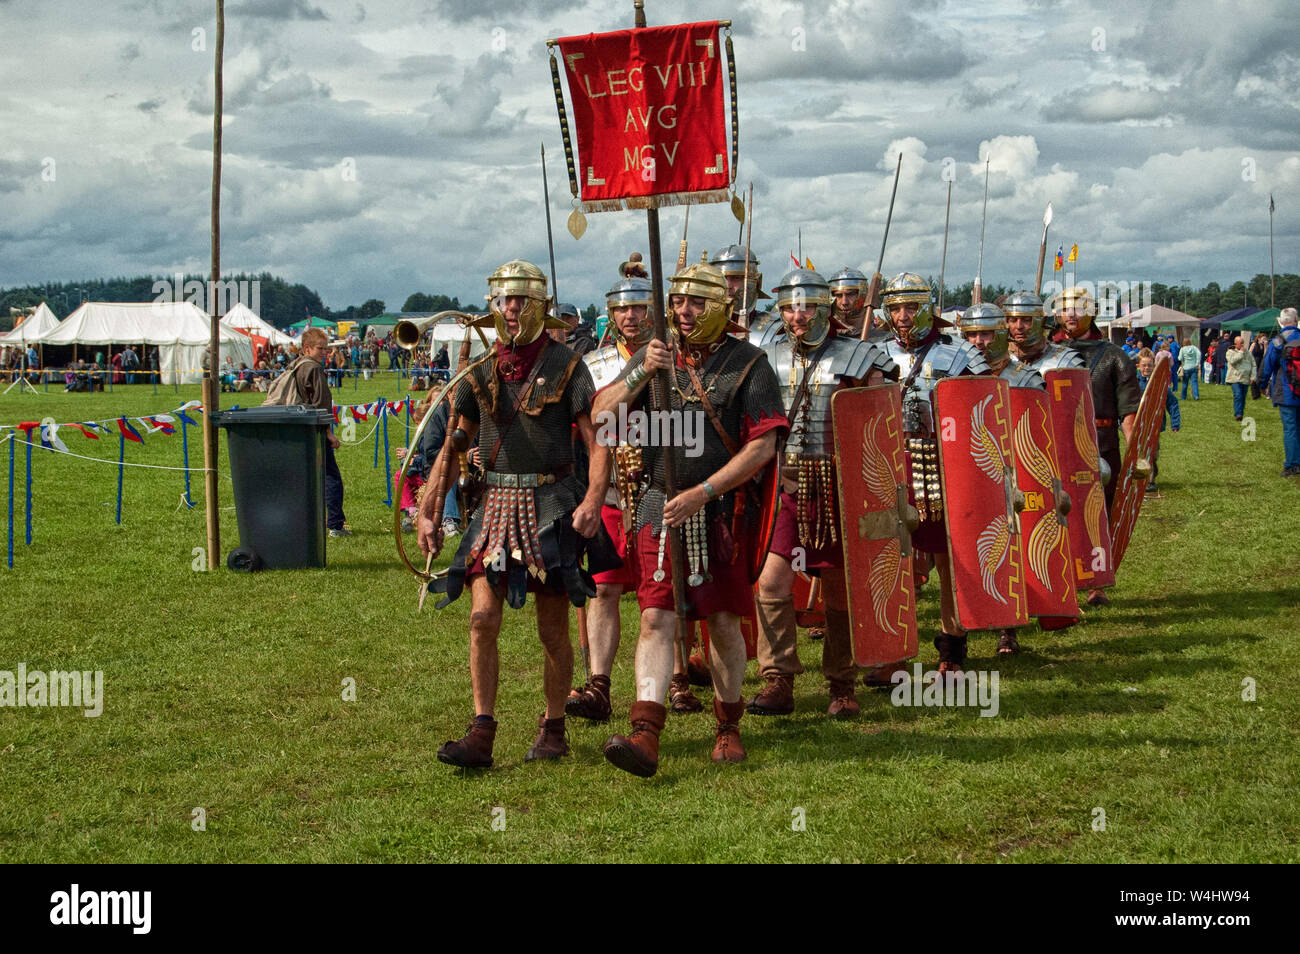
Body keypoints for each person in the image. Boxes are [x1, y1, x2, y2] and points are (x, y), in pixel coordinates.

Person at [417, 259, 609, 769]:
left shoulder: (568, 366)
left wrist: (592, 500)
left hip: (551, 506)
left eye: (520, 300)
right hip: (493, 508)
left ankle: (553, 727)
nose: (511, 309)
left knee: (551, 629)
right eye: (503, 300)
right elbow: (451, 446)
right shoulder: (478, 373)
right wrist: (429, 510)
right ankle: (482, 731)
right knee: (481, 617)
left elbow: (597, 442)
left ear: (539, 306)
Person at [598, 263, 788, 775]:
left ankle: (728, 724)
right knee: (656, 618)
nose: (684, 312)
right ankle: (645, 733)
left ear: (720, 307)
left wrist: (705, 491)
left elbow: (763, 444)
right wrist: (641, 370)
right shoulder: (653, 356)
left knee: (723, 624)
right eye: (678, 302)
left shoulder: (749, 365)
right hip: (659, 506)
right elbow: (600, 414)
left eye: (696, 302)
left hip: (720, 511)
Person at [749, 268, 896, 718]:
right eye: (791, 306)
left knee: (837, 588)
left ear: (826, 307)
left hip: (836, 486)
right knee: (771, 581)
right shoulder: (762, 356)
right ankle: (777, 678)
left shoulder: (859, 357)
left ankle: (841, 681)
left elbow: (880, 423)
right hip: (785, 485)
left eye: (808, 306)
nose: (798, 315)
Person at [567, 263, 706, 721]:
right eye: (622, 307)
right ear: (610, 313)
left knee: (666, 590)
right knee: (604, 591)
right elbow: (596, 421)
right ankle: (599, 685)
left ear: (655, 310)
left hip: (660, 486)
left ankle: (680, 678)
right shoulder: (594, 364)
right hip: (609, 491)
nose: (630, 315)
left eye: (639, 306)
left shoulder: (679, 356)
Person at [880, 272, 990, 674]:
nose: (903, 316)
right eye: (895, 308)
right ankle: (890, 645)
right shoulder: (873, 353)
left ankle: (951, 648)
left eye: (910, 307)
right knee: (890, 558)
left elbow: (984, 415)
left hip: (943, 467)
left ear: (926, 308)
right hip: (888, 465)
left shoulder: (961, 354)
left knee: (948, 559)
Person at [1058, 285, 1139, 606]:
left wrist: (1137, 453)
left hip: (1100, 446)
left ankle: (1095, 584)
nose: (1071, 314)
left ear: (1090, 311)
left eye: (1077, 308)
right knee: (1057, 511)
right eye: (1065, 308)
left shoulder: (1113, 356)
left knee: (1098, 514)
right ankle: (1058, 583)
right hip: (1055, 443)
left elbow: (1129, 413)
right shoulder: (1046, 351)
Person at [290, 328, 350, 537]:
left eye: (327, 349)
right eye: (320, 349)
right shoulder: (313, 368)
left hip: (298, 430)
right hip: (315, 431)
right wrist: (328, 433)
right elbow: (321, 405)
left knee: (305, 479)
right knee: (331, 478)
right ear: (307, 348)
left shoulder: (295, 365)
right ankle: (335, 524)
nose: (326, 353)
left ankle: (303, 521)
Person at [1256, 307, 1300, 477]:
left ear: (1281, 322)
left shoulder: (1278, 341)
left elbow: (1268, 364)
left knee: (1290, 428)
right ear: (1296, 319)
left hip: (1286, 388)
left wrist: (1261, 383)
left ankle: (1291, 465)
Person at [1134, 348, 1180, 495]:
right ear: (1138, 367)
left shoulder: (1160, 384)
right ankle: (1142, 479)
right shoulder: (1133, 384)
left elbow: (1172, 402)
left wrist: (1175, 422)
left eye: (1150, 365)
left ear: (1154, 366)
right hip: (1138, 425)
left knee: (1152, 452)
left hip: (1155, 425)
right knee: (1139, 453)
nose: (1147, 368)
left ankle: (1151, 480)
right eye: (1144, 365)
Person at [1224, 335, 1256, 422]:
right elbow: (1232, 361)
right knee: (1238, 395)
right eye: (1240, 343)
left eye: (1243, 343)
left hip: (1245, 378)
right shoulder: (1230, 352)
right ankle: (1238, 414)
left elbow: (1253, 364)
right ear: (1236, 344)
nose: (1242, 345)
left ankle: (1240, 413)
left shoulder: (1248, 353)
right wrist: (1241, 353)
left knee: (1243, 397)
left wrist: (1253, 376)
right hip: (1235, 378)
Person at [1178, 336, 1201, 400]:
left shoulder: (1182, 349)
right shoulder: (1194, 348)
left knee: (1185, 383)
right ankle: (1196, 396)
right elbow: (1199, 354)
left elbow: (1179, 358)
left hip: (1186, 368)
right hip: (1194, 367)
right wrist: (1197, 363)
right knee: (1194, 382)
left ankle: (1183, 397)